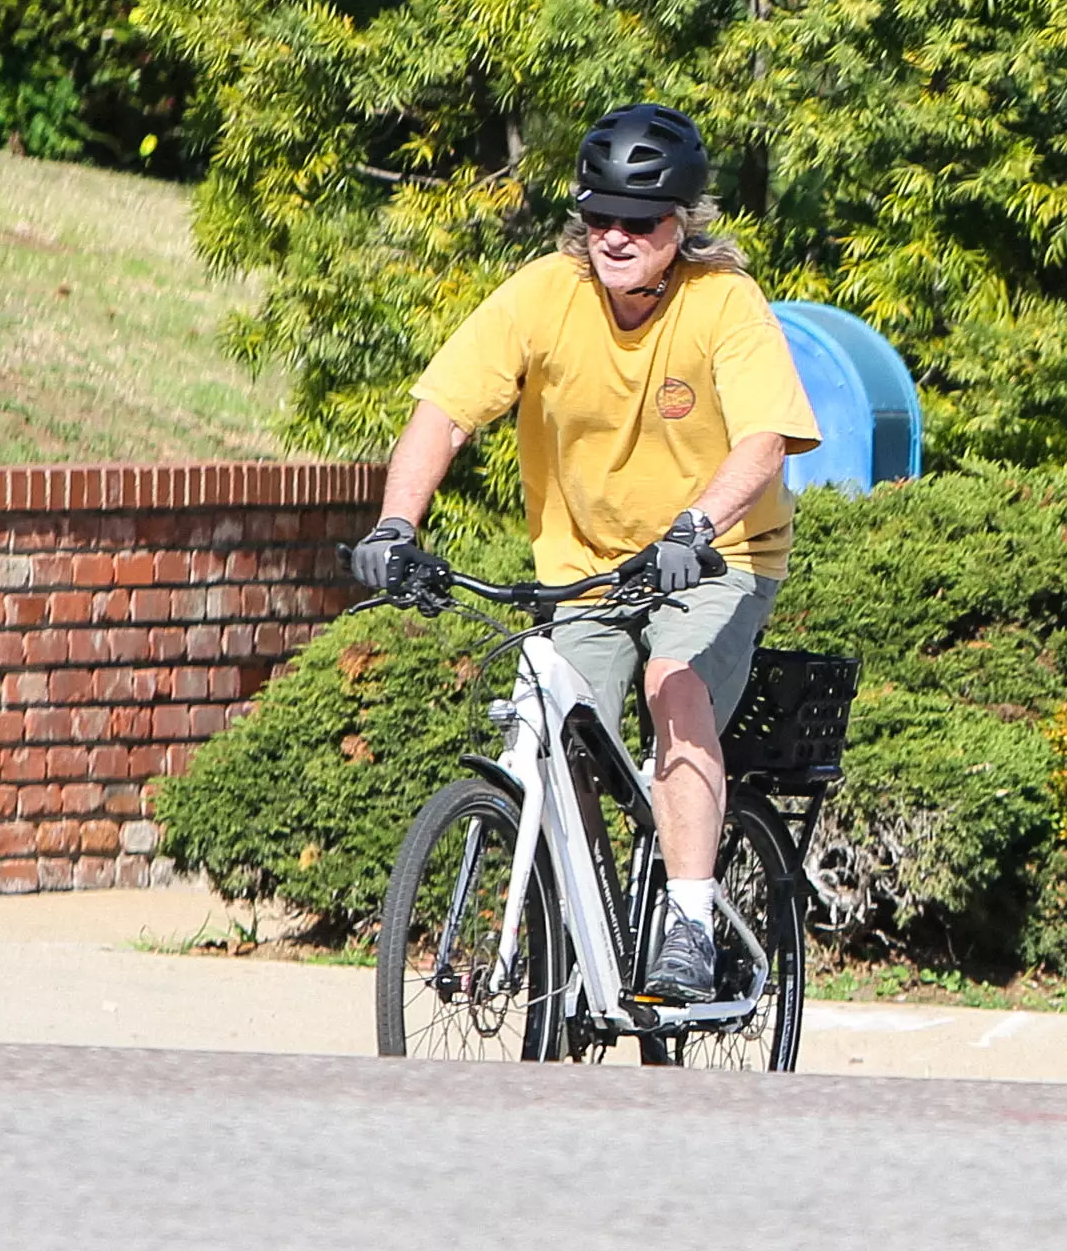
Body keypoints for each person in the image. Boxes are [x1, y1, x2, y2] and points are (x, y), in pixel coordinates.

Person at [350, 103, 820, 1005]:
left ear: (679, 225)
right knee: (555, 731)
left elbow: (765, 437)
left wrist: (695, 528)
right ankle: (575, 928)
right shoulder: (544, 294)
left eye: (639, 221)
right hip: (588, 570)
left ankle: (685, 918)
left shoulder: (724, 303)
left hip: (717, 557)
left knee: (672, 681)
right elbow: (443, 411)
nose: (615, 235)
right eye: (599, 214)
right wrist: (395, 527)